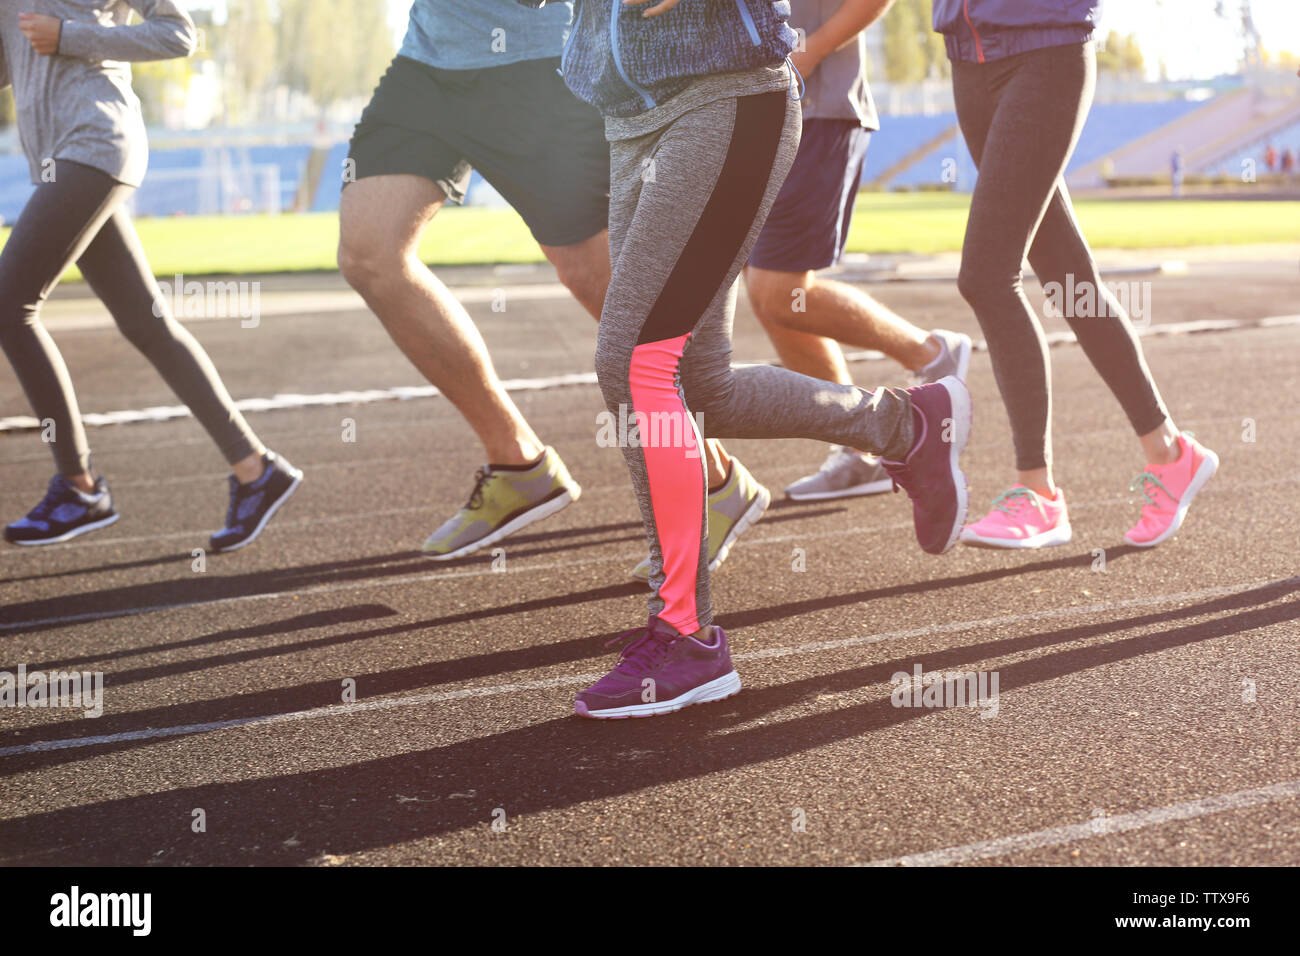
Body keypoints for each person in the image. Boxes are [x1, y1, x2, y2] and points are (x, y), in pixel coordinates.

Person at [551, 0, 973, 719]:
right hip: (630, 120)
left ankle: (685, 633)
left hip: (726, 97)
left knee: (632, 362)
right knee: (698, 386)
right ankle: (905, 426)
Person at [0, 2, 301, 551]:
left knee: (9, 306)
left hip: (95, 141)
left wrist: (69, 35)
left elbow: (178, 36)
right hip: (58, 157)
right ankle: (257, 470)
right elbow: (14, 63)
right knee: (147, 323)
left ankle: (79, 485)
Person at [931, 0, 1218, 550]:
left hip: (1045, 45)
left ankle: (1036, 491)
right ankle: (1170, 453)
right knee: (1070, 283)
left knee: (987, 276)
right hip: (966, 53)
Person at [742, 0, 971, 504]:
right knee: (769, 299)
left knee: (780, 292)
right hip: (752, 110)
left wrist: (810, 52)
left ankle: (930, 354)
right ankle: (858, 446)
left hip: (817, 107)